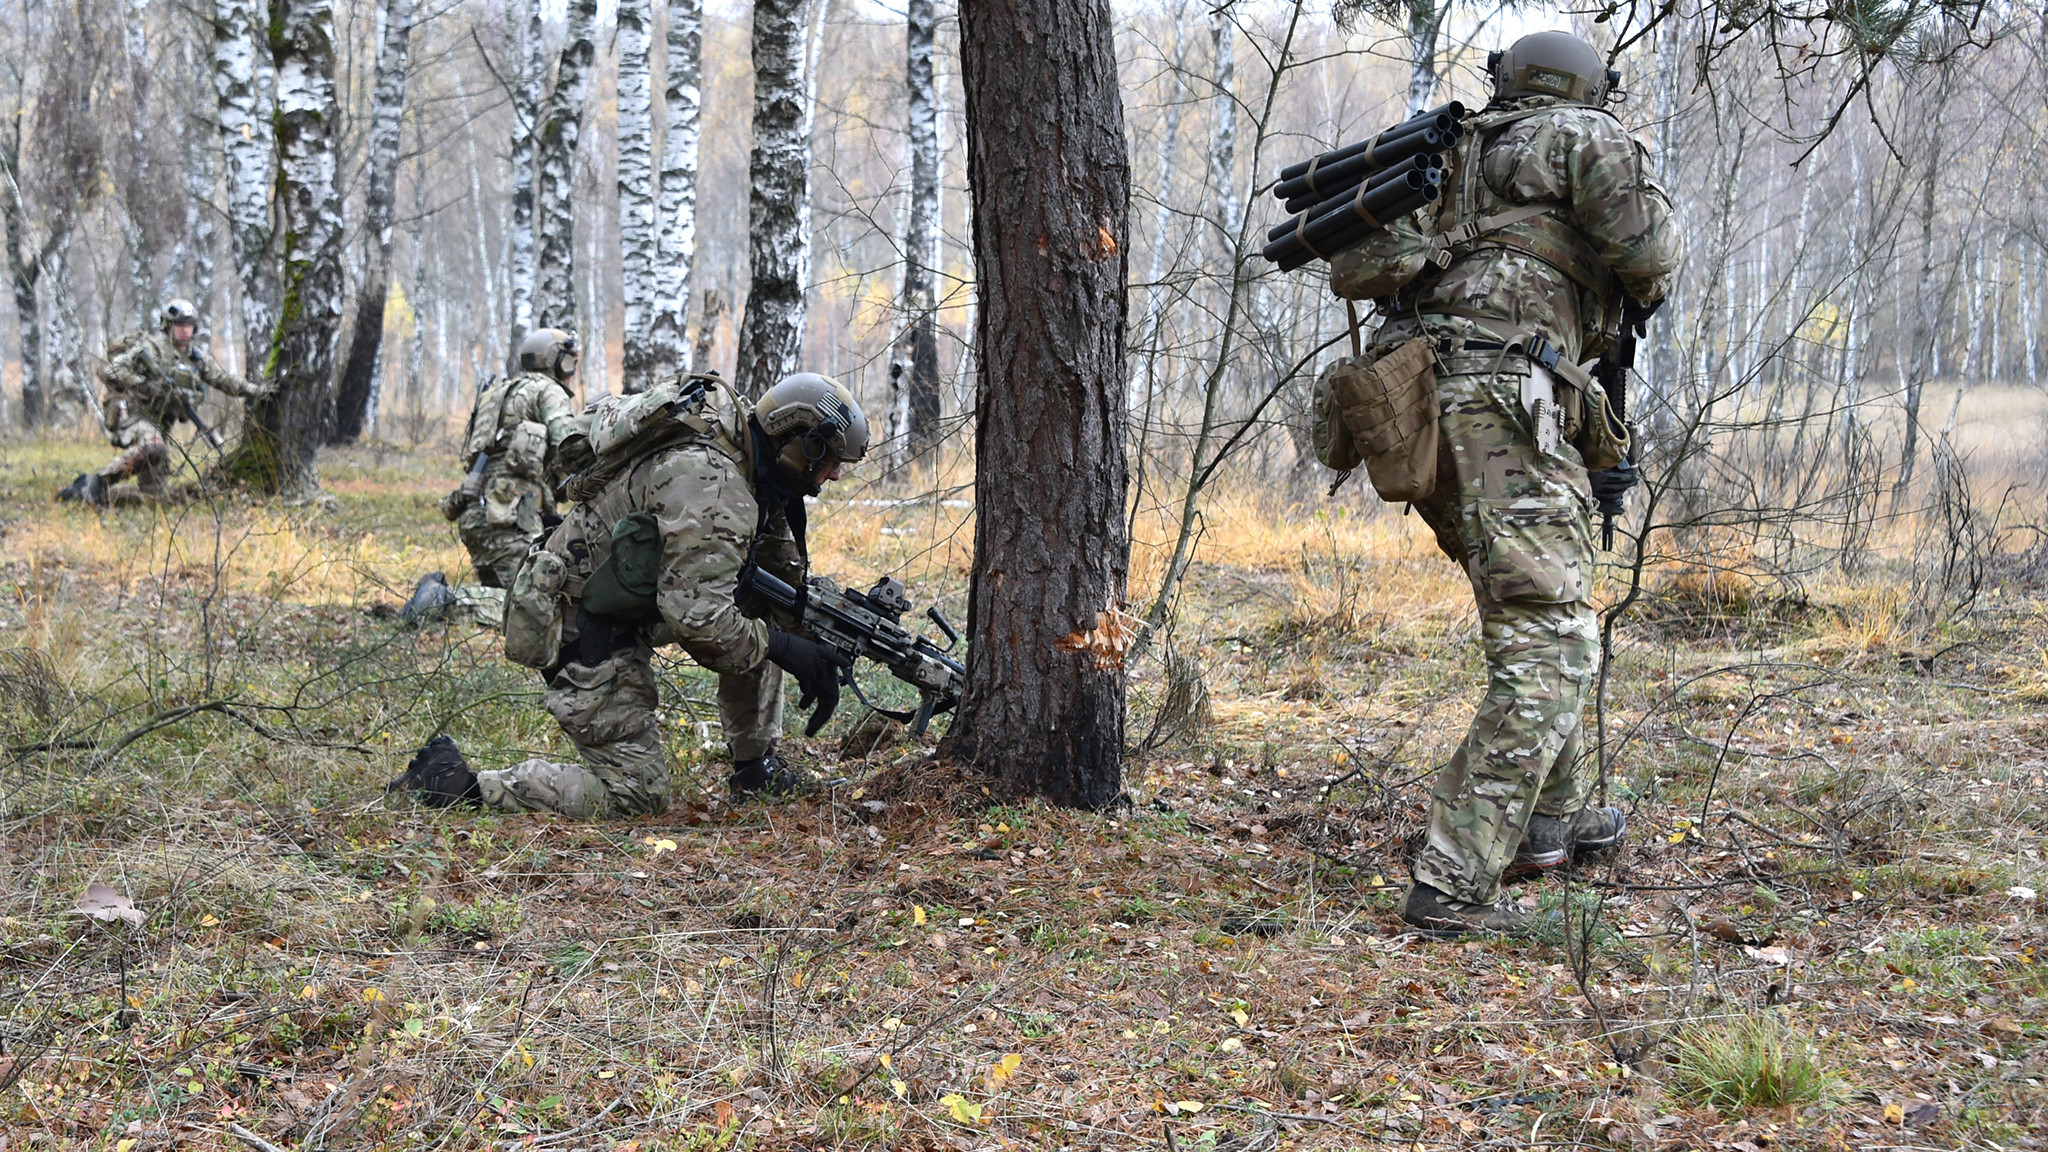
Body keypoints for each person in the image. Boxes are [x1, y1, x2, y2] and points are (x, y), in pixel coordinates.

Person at [1328, 32, 1682, 935]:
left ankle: (1551, 824)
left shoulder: (1448, 153)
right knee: (1548, 643)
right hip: (1503, 405)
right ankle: (1452, 881)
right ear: (1583, 85)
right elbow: (1650, 260)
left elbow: (1363, 267)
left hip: (1415, 403)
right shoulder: (1582, 133)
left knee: (1544, 612)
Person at [387, 371, 869, 817]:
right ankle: (458, 784)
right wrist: (785, 648)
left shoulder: (747, 451)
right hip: (579, 623)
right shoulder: (713, 486)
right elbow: (700, 621)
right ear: (798, 443)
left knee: (765, 600)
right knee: (638, 795)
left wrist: (817, 636)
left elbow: (777, 579)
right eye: (828, 461)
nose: (833, 476)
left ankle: (753, 768)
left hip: (625, 603)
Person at [402, 327, 587, 626]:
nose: (572, 370)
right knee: (533, 605)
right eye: (570, 362)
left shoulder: (497, 392)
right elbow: (570, 445)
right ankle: (445, 602)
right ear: (557, 361)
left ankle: (444, 599)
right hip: (510, 514)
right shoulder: (548, 391)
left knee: (508, 591)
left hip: (476, 512)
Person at [57, 299, 271, 505]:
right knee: (154, 447)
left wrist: (257, 391)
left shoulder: (195, 357)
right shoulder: (151, 348)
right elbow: (110, 371)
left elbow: (223, 380)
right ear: (168, 326)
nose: (185, 330)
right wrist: (144, 385)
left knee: (155, 499)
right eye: (179, 325)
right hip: (134, 417)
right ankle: (100, 481)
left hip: (161, 426)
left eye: (189, 325)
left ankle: (88, 493)